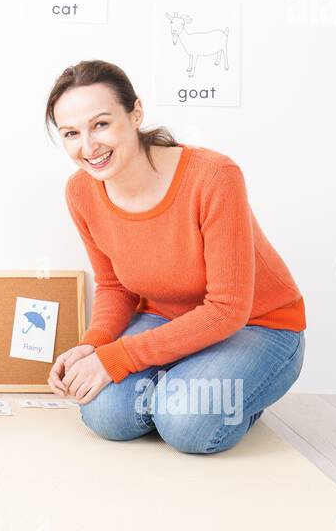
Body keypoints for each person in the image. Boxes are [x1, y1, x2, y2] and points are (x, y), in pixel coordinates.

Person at [46, 60, 307, 454]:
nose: (88, 147)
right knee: (104, 413)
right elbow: (115, 285)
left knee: (187, 424)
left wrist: (119, 357)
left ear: (136, 113)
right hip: (165, 317)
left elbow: (227, 309)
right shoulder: (80, 191)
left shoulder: (214, 175)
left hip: (257, 325)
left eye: (101, 124)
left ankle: (214, 398)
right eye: (71, 133)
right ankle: (180, 390)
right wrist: (93, 345)